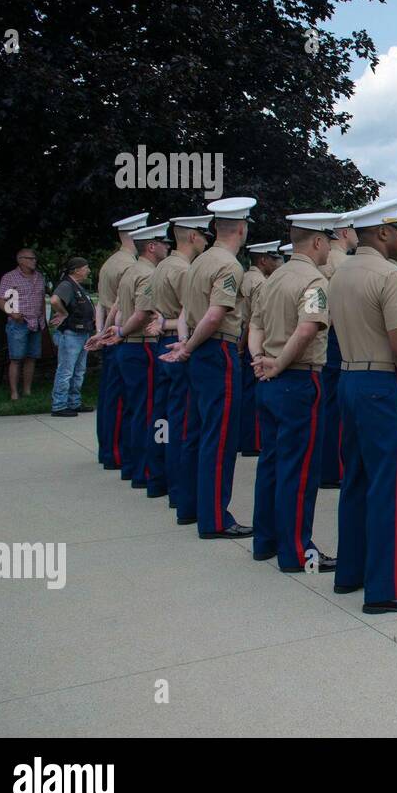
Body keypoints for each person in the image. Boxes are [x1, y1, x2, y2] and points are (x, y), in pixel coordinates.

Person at [329, 196, 397, 613]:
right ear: (384, 233)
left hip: (349, 377)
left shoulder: (340, 273)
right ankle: (387, 588)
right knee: (389, 487)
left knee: (355, 481)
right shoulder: (392, 278)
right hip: (381, 383)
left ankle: (350, 573)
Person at [159, 197, 258, 539]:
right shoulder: (229, 266)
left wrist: (186, 344)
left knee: (195, 432)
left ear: (216, 227)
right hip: (216, 351)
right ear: (242, 229)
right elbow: (215, 315)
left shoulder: (199, 262)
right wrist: (188, 346)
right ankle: (215, 517)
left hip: (200, 352)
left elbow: (187, 311)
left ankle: (189, 506)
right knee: (219, 438)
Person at [248, 213, 336, 574]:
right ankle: (297, 549)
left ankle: (265, 540)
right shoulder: (313, 280)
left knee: (270, 461)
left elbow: (254, 324)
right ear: (317, 242)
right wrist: (280, 364)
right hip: (296, 379)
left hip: (269, 379)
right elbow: (307, 329)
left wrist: (260, 360)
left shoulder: (274, 278)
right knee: (298, 468)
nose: (330, 246)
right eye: (328, 239)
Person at [96, 222, 171, 497]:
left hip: (129, 348)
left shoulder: (131, 271)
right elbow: (141, 313)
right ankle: (145, 470)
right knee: (147, 412)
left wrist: (110, 331)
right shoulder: (148, 275)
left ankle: (131, 465)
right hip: (141, 346)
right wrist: (120, 332)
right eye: (163, 242)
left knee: (132, 409)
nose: (167, 247)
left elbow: (115, 306)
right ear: (151, 246)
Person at [153, 215, 212, 524]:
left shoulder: (163, 267)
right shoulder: (184, 270)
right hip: (180, 343)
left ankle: (169, 484)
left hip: (164, 341)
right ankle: (181, 491)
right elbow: (191, 314)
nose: (207, 239)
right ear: (192, 237)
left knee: (169, 418)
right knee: (184, 424)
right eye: (203, 234)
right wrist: (186, 344)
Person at [93, 214, 145, 470]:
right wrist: (111, 333)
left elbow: (100, 304)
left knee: (110, 397)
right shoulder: (129, 266)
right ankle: (117, 453)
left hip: (111, 333)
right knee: (122, 400)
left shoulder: (110, 262)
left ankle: (108, 450)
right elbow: (119, 305)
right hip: (122, 334)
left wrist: (100, 331)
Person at [318, 211, 356, 490]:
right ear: (345, 232)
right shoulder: (343, 264)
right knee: (336, 408)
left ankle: (326, 466)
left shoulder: (323, 261)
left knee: (326, 405)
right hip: (336, 336)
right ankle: (334, 468)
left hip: (322, 337)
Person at [238, 242, 281, 457]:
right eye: (274, 258)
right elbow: (254, 321)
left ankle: (243, 438)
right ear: (263, 260)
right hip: (249, 341)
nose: (278, 262)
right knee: (253, 392)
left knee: (244, 391)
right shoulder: (260, 283)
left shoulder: (246, 277)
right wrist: (244, 346)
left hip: (241, 338)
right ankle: (252, 441)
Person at [0, 248, 48, 401]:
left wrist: (44, 318)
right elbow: (0, 300)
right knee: (16, 358)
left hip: (36, 322)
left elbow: (41, 300)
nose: (34, 261)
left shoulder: (39, 277)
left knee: (32, 357)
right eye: (30, 258)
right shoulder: (10, 277)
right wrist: (12, 313)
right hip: (19, 323)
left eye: (34, 258)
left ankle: (27, 390)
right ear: (20, 260)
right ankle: (14, 393)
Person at [48, 258, 96, 417]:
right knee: (66, 370)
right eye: (86, 268)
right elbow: (54, 300)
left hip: (82, 333)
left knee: (79, 370)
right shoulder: (67, 285)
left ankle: (74, 402)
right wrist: (63, 312)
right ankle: (59, 405)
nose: (88, 271)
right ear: (76, 270)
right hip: (71, 334)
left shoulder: (77, 286)